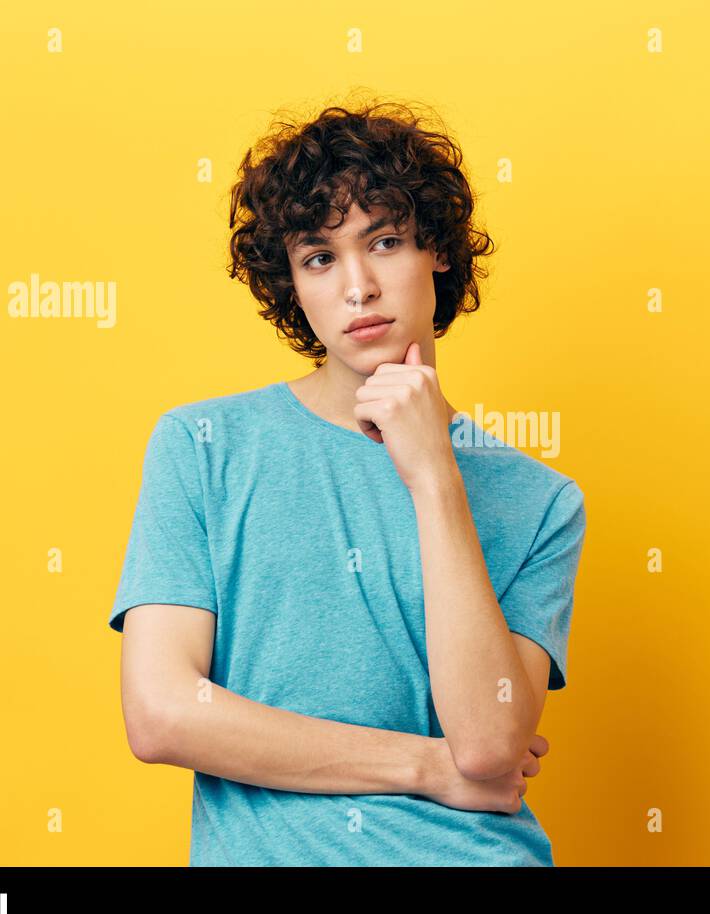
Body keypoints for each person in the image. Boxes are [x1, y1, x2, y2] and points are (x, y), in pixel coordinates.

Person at [106, 99, 588, 865]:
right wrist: (425, 766)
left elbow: (493, 746)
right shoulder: (203, 446)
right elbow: (162, 714)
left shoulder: (540, 501)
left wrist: (434, 475)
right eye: (320, 257)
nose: (358, 286)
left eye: (385, 241)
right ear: (292, 284)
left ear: (436, 251)